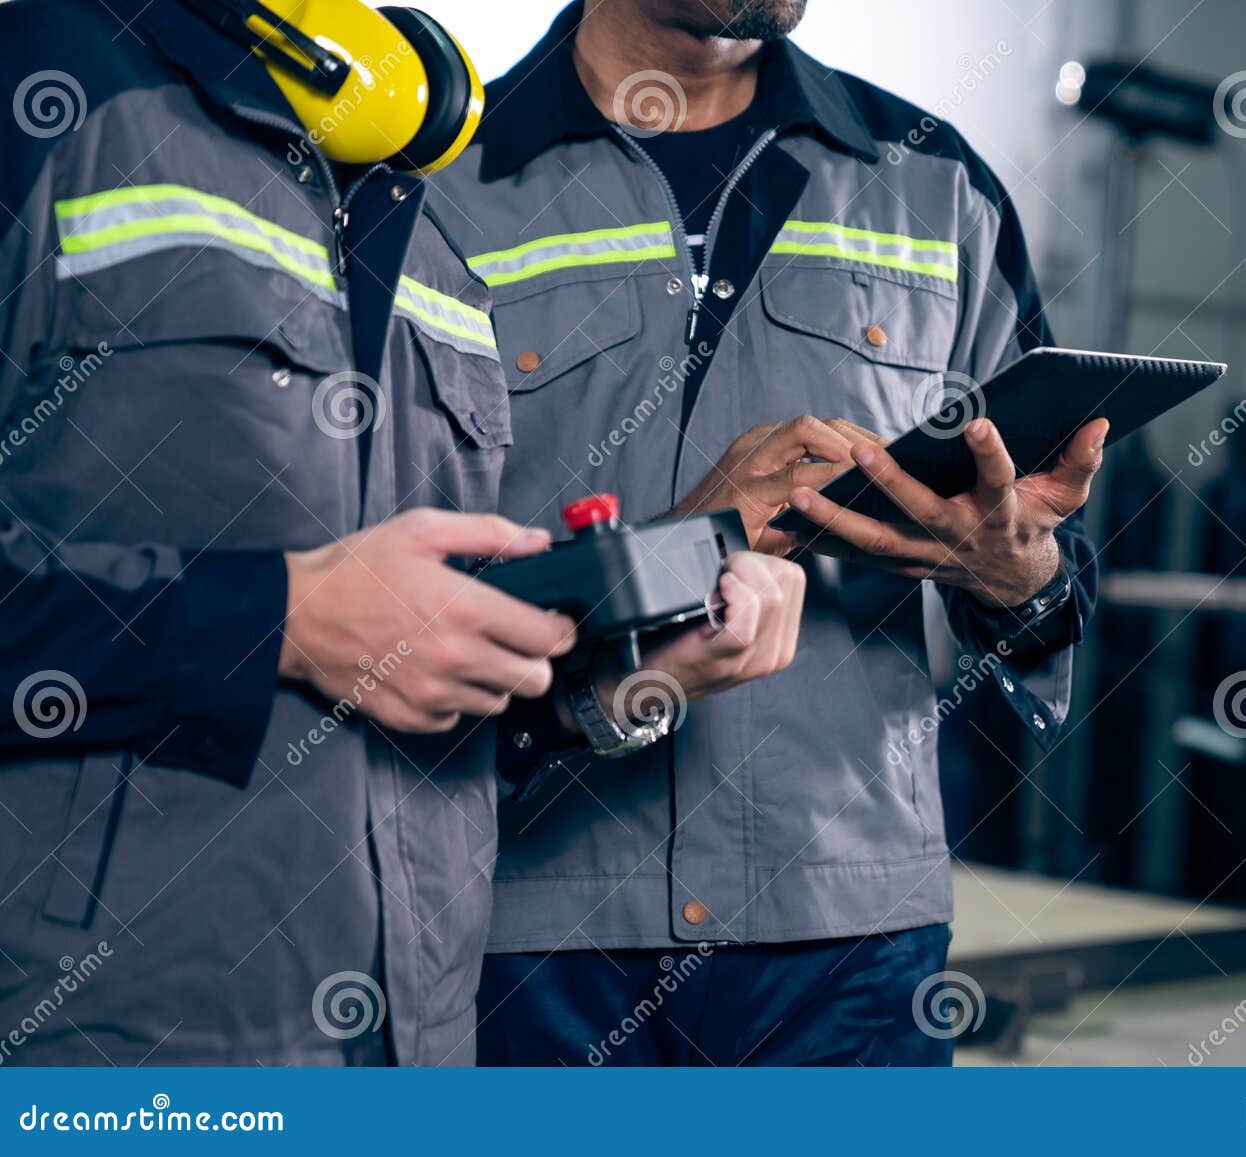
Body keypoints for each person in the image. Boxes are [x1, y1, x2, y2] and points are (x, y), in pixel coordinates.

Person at [0, 0, 804, 1066]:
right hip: (109, 1052)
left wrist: (605, 686)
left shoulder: (424, 217)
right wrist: (278, 620)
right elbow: (310, 628)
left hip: (416, 1045)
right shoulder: (40, 91)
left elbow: (400, 705)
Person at [433, 0, 1104, 1066]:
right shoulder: (437, 186)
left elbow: (1049, 573)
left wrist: (1020, 579)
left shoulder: (936, 186)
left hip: (844, 942)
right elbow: (377, 593)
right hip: (531, 924)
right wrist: (688, 545)